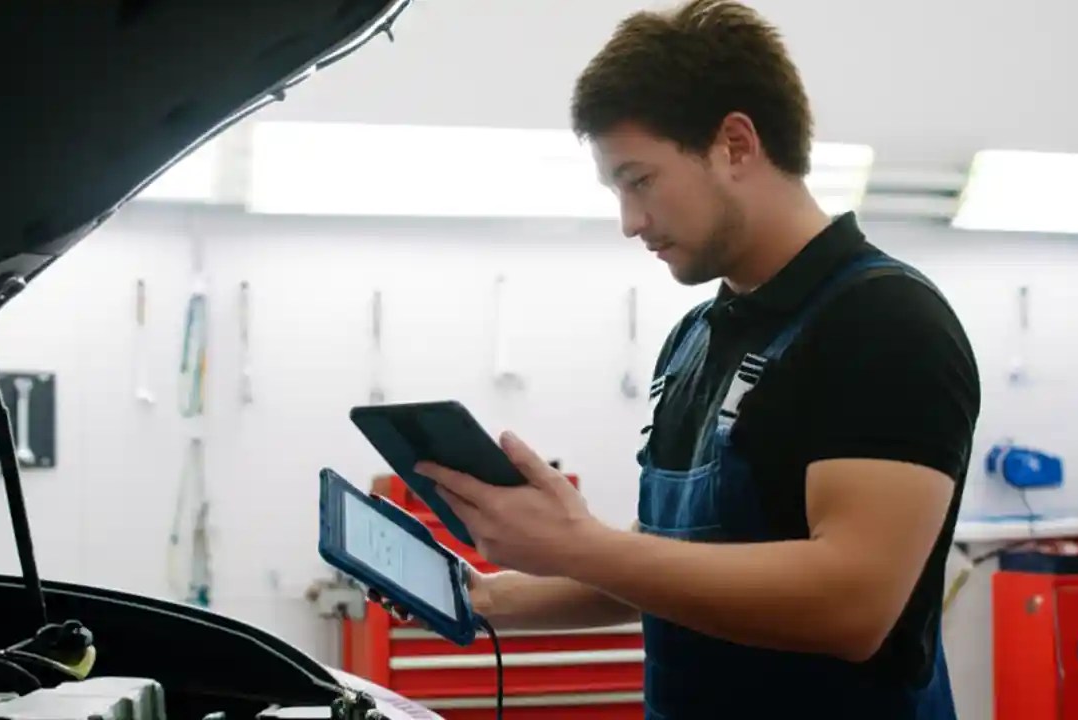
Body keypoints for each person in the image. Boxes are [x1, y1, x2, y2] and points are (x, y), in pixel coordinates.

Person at [393, 1, 981, 717]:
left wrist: (577, 545)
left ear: (735, 144)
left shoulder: (885, 321)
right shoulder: (697, 338)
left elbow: (851, 602)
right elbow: (666, 560)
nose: (629, 221)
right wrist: (481, 597)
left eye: (639, 181)